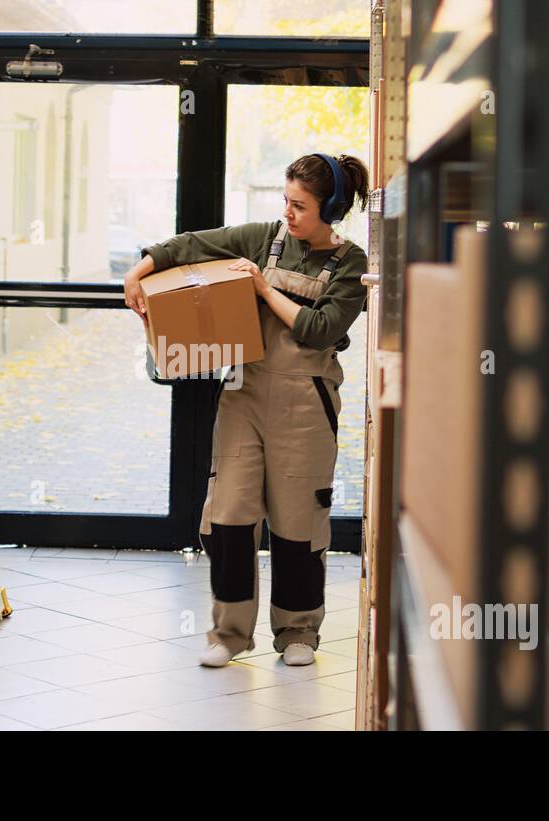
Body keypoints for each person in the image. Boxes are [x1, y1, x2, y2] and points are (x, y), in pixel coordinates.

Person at [124, 153, 370, 668]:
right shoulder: (264, 237)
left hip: (306, 403)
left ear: (332, 207)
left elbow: (322, 329)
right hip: (243, 394)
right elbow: (192, 244)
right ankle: (228, 635)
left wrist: (262, 287)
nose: (289, 212)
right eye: (286, 200)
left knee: (298, 523)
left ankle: (298, 632)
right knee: (230, 517)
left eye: (300, 206)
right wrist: (141, 268)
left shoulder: (350, 263)